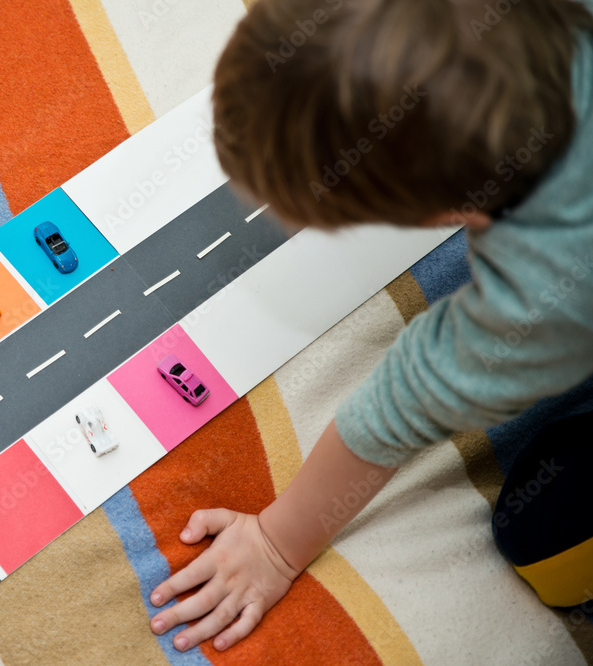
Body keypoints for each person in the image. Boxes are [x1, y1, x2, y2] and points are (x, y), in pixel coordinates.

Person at [148, 0, 593, 652]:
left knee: (544, 545)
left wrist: (276, 542)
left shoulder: (540, 290)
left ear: (441, 211)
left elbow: (399, 406)